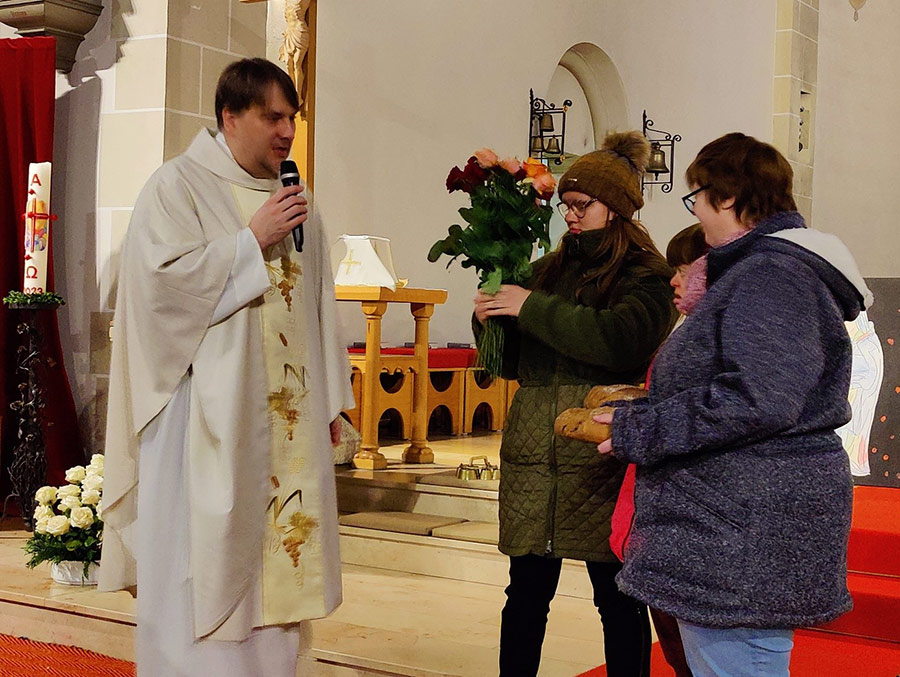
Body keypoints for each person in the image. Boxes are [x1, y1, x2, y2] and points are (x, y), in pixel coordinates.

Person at [98, 58, 353, 676]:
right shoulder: (176, 187)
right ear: (229, 116)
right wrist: (249, 242)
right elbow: (157, 291)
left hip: (287, 427)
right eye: (273, 117)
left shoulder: (297, 201)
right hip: (201, 424)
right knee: (203, 564)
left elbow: (318, 304)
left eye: (292, 119)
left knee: (279, 571)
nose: (287, 131)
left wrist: (329, 403)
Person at [596, 132, 872, 675]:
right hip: (734, 521)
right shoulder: (764, 270)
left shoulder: (772, 275)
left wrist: (644, 430)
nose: (695, 212)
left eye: (695, 198)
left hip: (743, 529)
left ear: (726, 196)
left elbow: (759, 398)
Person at [474, 131, 678, 676]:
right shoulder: (546, 271)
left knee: (617, 597)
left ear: (615, 207)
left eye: (581, 204)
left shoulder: (648, 275)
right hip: (535, 454)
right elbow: (514, 366)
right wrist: (490, 322)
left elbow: (620, 342)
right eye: (565, 203)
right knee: (525, 595)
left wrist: (531, 308)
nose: (569, 214)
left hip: (600, 456)